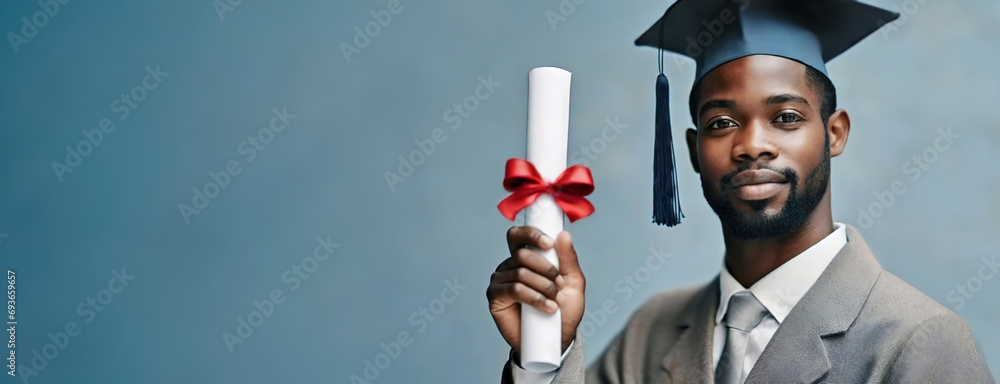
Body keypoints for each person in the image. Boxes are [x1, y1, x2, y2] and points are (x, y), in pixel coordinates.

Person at [486, 0, 997, 383]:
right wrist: (543, 355)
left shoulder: (919, 343)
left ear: (835, 132)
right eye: (722, 122)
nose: (752, 145)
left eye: (787, 117)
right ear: (691, 150)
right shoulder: (653, 329)